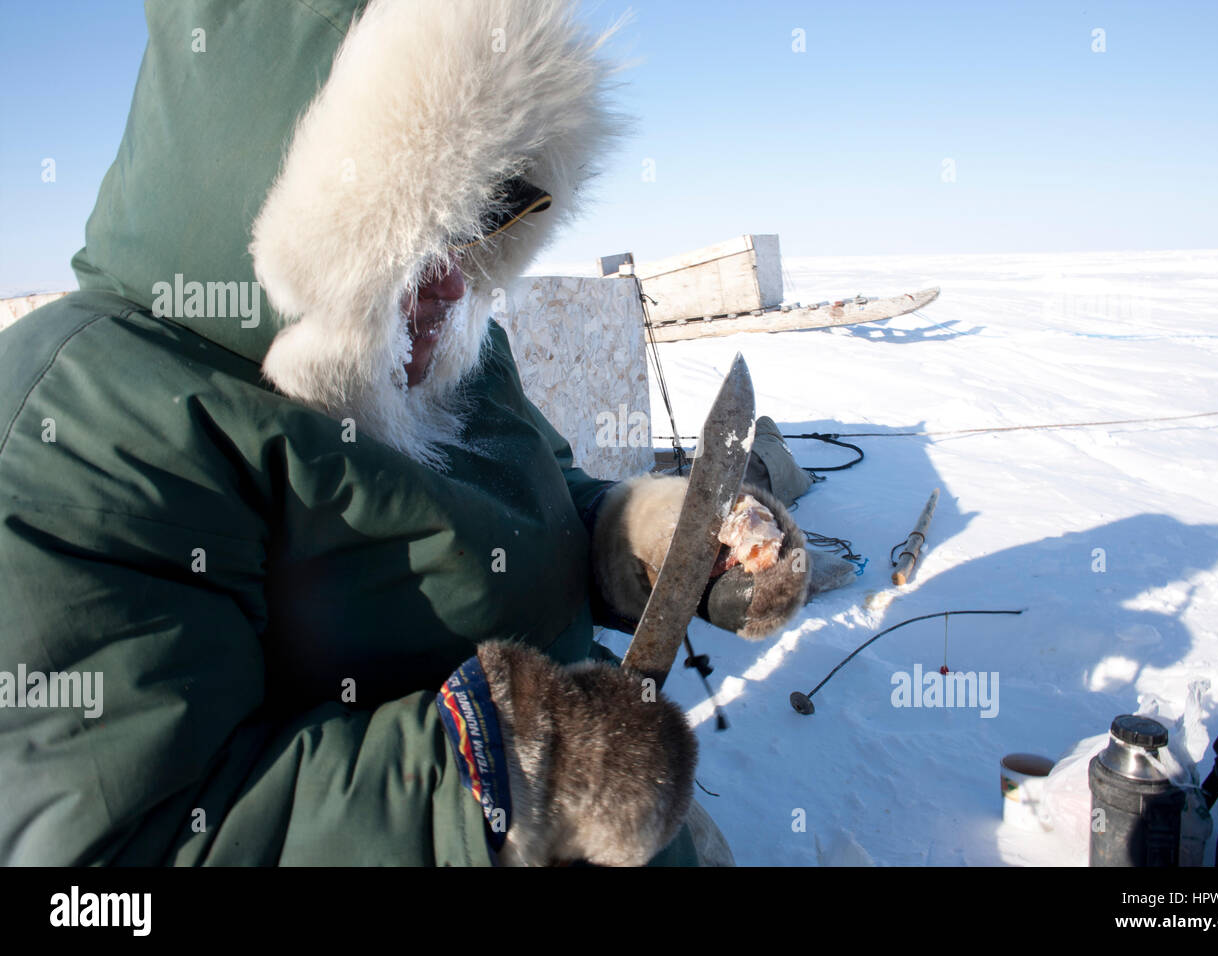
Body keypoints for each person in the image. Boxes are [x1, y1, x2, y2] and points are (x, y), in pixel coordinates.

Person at [0, 0, 810, 866]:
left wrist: (647, 540)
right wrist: (504, 777)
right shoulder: (77, 421)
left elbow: (541, 499)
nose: (455, 288)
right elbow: (124, 852)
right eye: (414, 240)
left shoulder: (451, 348)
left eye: (476, 230)